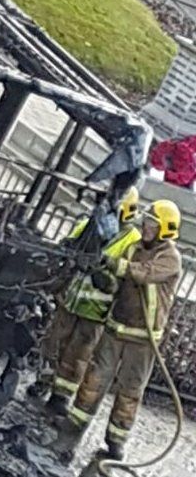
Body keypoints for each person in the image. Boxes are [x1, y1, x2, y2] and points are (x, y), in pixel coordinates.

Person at [57, 199, 183, 462]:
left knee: (130, 390)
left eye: (152, 223)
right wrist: (105, 280)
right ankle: (71, 430)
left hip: (142, 339)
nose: (146, 226)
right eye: (147, 221)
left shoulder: (170, 258)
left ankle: (116, 441)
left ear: (166, 229)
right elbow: (119, 283)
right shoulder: (135, 247)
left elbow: (143, 274)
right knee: (94, 380)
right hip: (115, 329)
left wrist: (113, 264)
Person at [37, 187, 141, 411]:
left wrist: (101, 274)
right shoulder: (92, 224)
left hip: (96, 309)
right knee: (53, 342)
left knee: (78, 354)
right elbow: (71, 242)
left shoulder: (132, 241)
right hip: (71, 298)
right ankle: (43, 381)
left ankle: (61, 395)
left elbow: (126, 279)